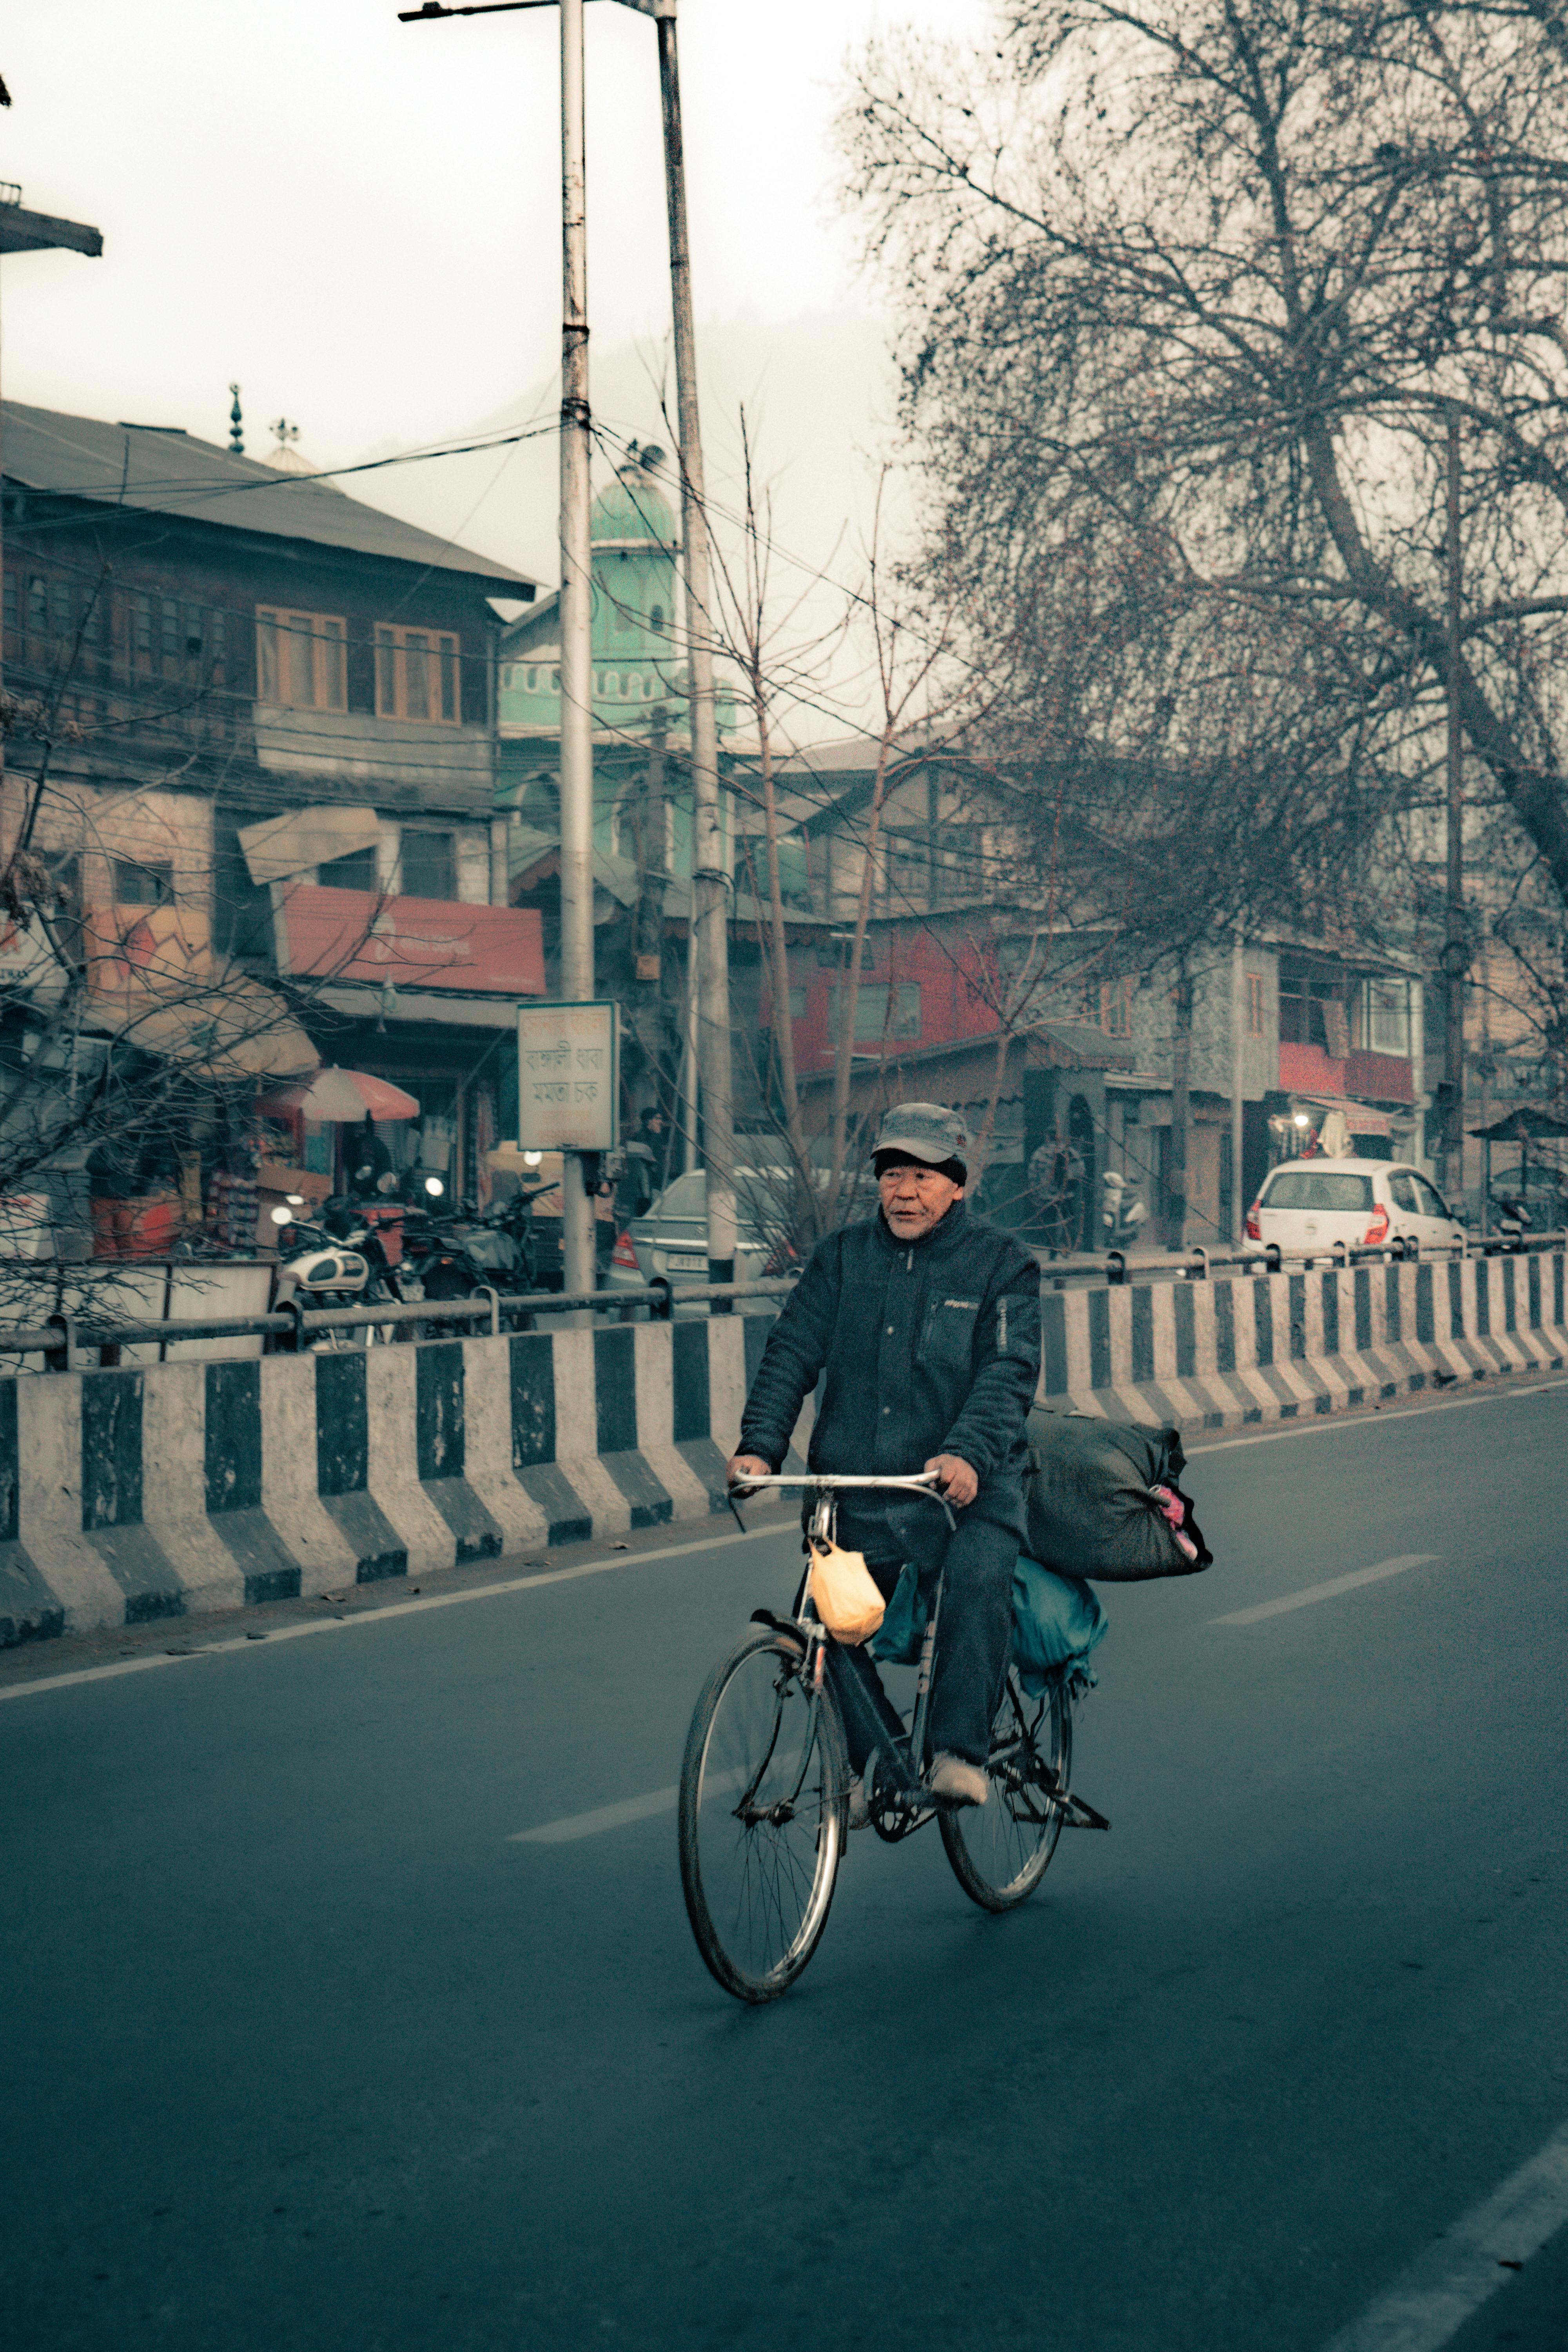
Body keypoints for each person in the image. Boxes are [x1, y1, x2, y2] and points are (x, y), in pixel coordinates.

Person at [728, 1101, 1042, 1811]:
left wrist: (966, 1454)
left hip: (967, 1491)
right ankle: (880, 1764)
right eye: (892, 1174)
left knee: (975, 1580)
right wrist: (759, 1446)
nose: (904, 1191)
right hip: (862, 1492)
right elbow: (793, 1351)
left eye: (924, 1177)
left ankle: (961, 1752)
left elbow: (1008, 1371)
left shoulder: (1004, 1265)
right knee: (826, 1618)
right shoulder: (842, 1259)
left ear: (958, 1185)